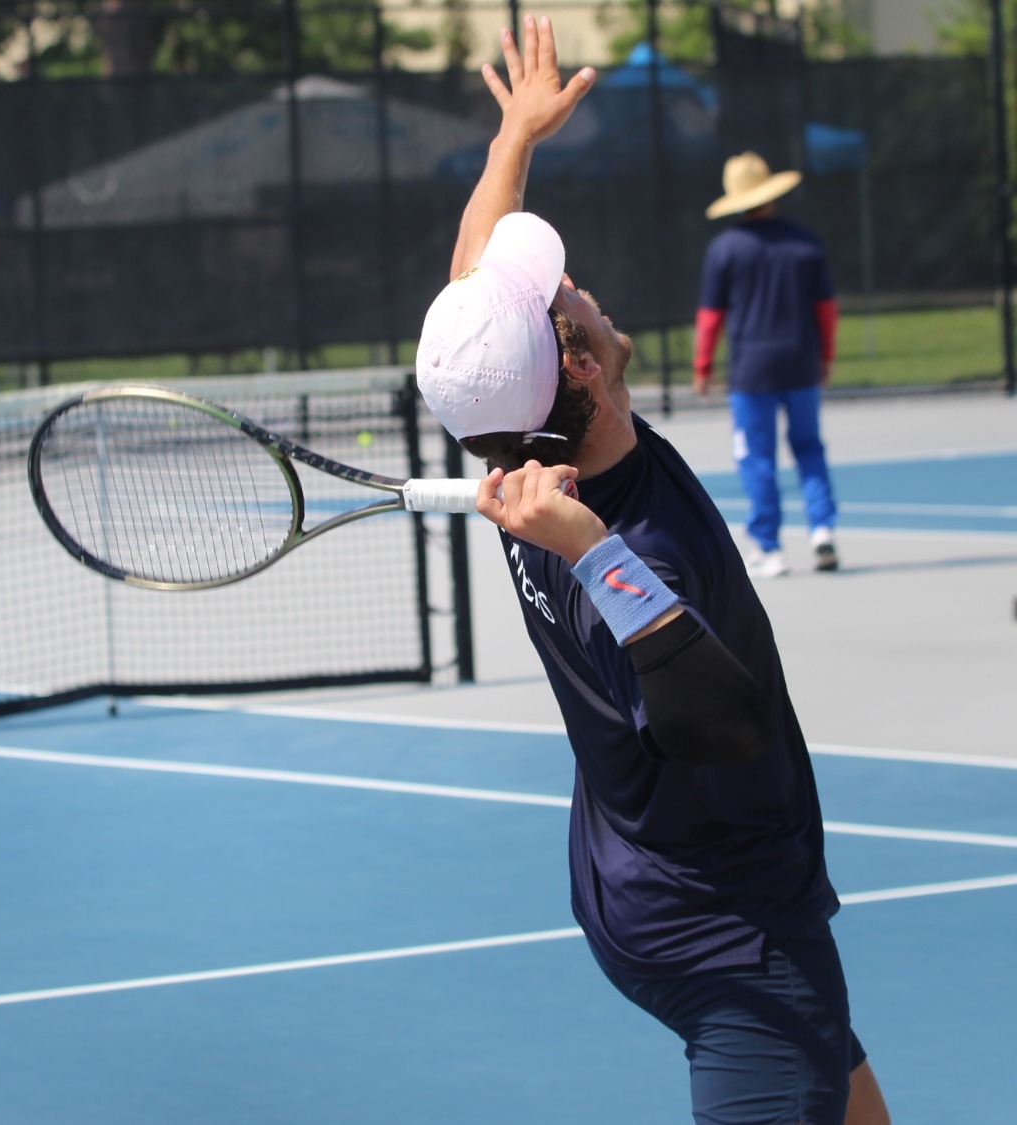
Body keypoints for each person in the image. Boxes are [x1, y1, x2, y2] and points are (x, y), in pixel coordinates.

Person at [413, 17, 890, 1125]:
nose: (578, 285)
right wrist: (596, 553)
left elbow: (471, 288)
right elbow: (723, 723)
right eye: (563, 297)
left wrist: (514, 139)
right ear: (580, 363)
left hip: (641, 880)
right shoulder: (623, 543)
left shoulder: (513, 446)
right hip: (729, 934)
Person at [693, 151, 842, 577]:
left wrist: (703, 366)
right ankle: (822, 531)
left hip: (751, 372)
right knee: (809, 448)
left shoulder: (724, 249)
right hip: (801, 364)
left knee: (757, 458)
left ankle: (769, 547)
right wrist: (825, 357)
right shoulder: (805, 243)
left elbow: (710, 317)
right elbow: (827, 310)